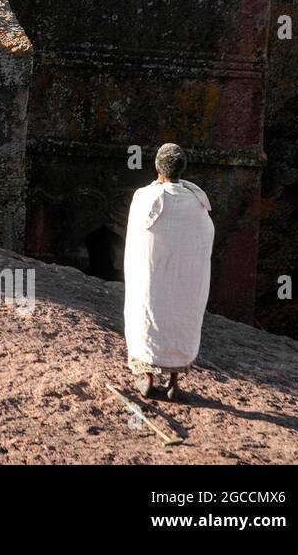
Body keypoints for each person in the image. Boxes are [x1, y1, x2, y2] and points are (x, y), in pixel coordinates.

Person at [123, 143, 214, 401]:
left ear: (157, 168)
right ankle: (174, 382)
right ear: (182, 169)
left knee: (149, 319)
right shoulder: (198, 202)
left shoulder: (145, 198)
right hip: (186, 281)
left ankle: (149, 379)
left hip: (151, 279)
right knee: (180, 319)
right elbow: (204, 240)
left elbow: (136, 242)